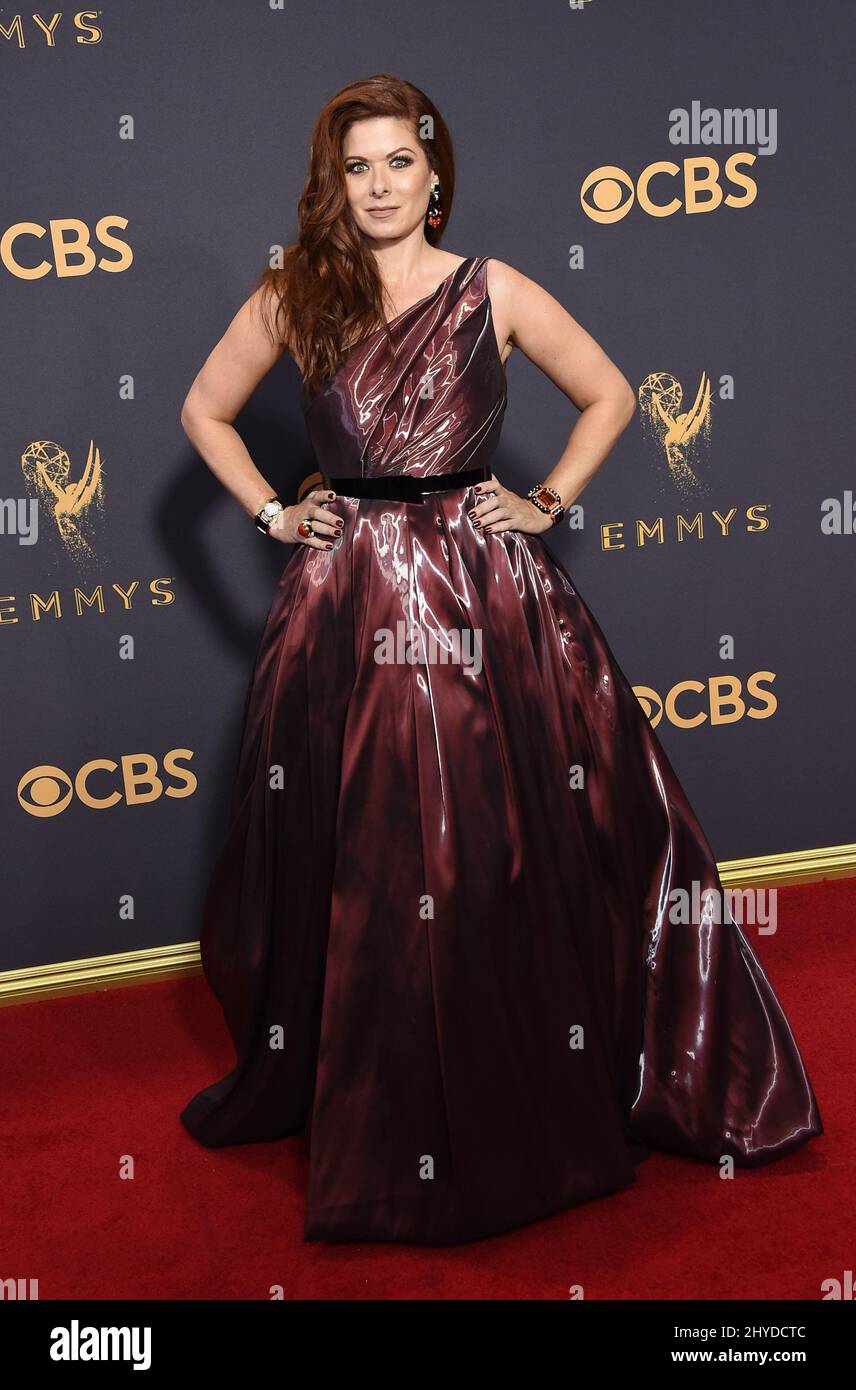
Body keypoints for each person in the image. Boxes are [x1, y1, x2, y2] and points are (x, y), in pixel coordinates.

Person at [179, 74, 822, 1245]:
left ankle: (518, 1088)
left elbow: (612, 395)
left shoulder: (495, 288)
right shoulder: (296, 297)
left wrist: (547, 500)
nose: (377, 186)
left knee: (488, 850)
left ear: (435, 177)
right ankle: (382, 1110)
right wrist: (278, 516)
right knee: (370, 858)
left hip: (482, 596)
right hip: (350, 594)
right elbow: (203, 413)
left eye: (397, 164)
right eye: (355, 168)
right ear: (337, 186)